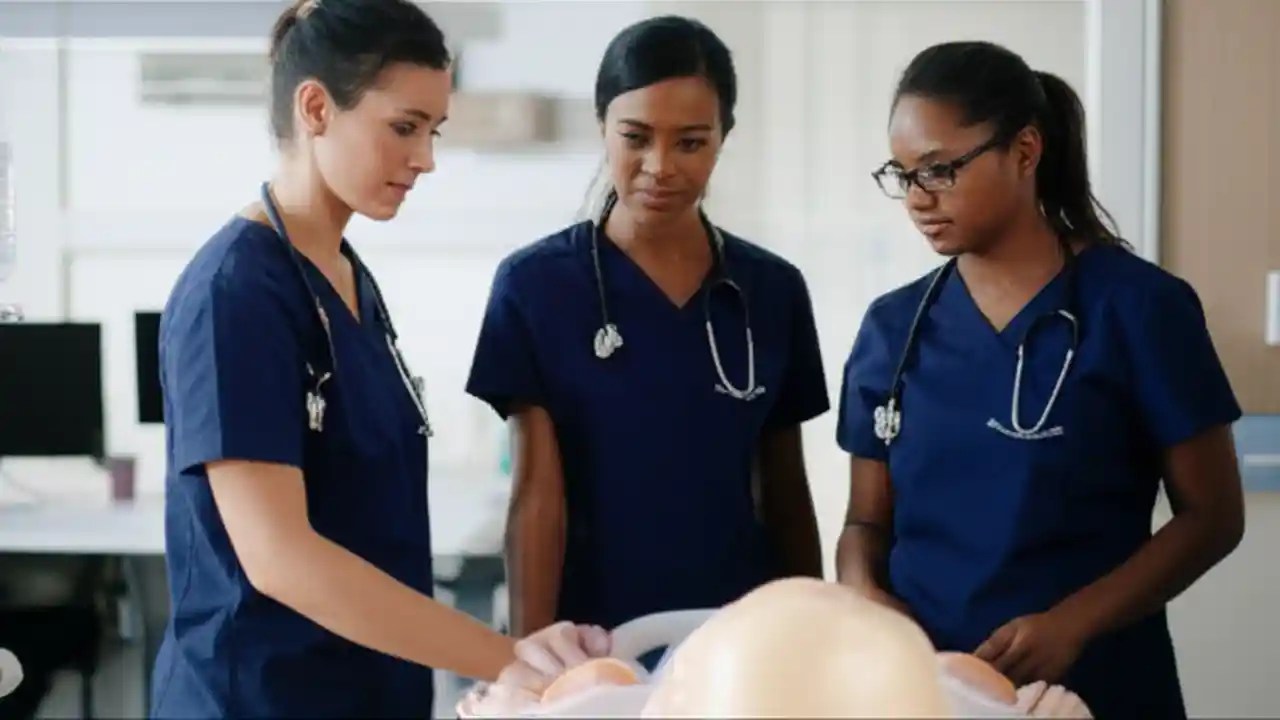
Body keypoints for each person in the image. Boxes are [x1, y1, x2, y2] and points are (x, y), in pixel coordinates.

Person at [150, 1, 609, 717]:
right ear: (315, 108)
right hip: (259, 699)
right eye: (404, 127)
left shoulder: (347, 277)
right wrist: (509, 660)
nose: (426, 158)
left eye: (433, 131)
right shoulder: (234, 294)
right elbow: (280, 558)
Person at [835, 40, 1245, 719]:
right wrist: (865, 600)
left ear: (1025, 151)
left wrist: (1071, 625)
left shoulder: (1139, 309)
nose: (917, 199)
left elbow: (1213, 517)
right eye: (902, 175)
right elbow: (865, 523)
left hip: (1099, 683)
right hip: (932, 690)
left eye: (939, 170)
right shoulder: (892, 328)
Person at [466, 16, 829, 643]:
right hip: (595, 640)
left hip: (738, 641)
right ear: (602, 126)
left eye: (690, 142)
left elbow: (786, 494)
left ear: (723, 137)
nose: (659, 166)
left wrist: (811, 639)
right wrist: (533, 658)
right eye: (635, 137)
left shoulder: (771, 290)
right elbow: (537, 498)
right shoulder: (537, 286)